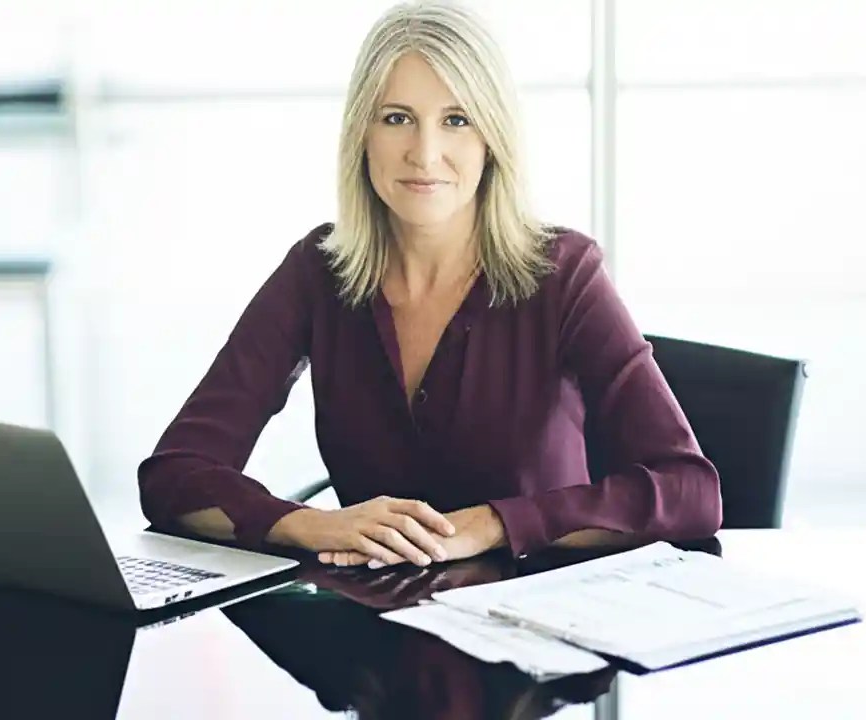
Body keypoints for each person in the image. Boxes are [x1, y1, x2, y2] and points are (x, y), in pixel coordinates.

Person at [138, 0, 722, 569]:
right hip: (373, 621)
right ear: (362, 133)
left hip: (540, 618)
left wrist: (492, 524)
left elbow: (690, 491)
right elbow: (174, 474)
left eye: (456, 120)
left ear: (492, 138)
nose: (425, 153)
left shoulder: (565, 274)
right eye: (397, 118)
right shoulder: (317, 272)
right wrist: (309, 524)